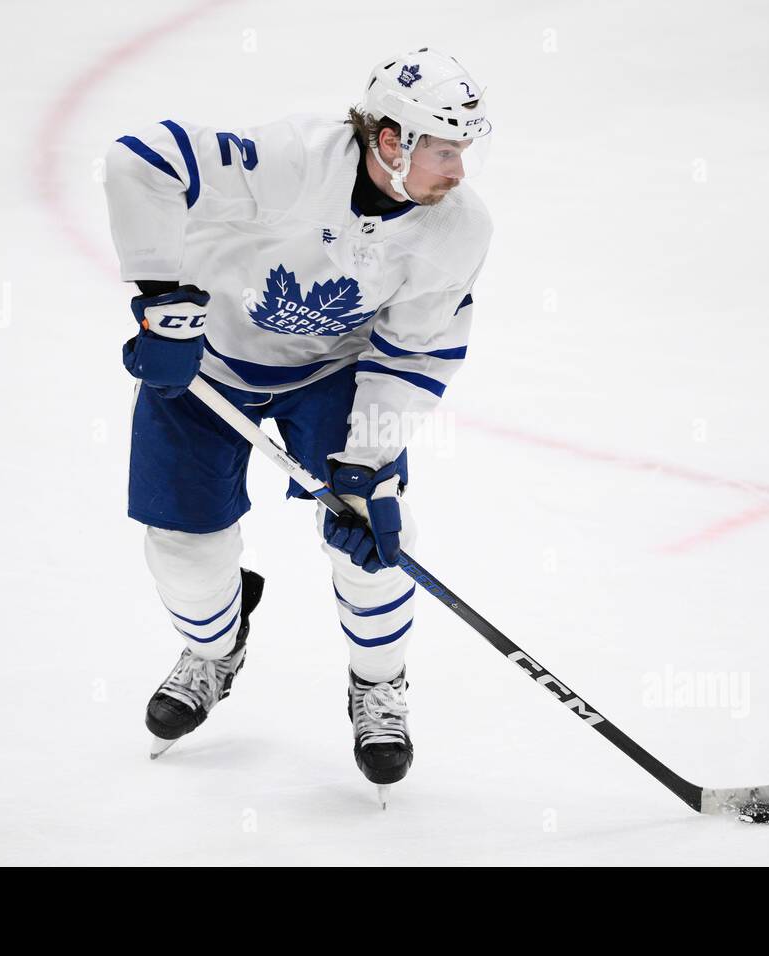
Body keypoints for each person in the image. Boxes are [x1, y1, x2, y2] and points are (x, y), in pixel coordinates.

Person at [102, 48, 492, 797]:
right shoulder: (289, 161)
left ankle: (378, 684)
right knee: (182, 552)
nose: (459, 171)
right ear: (391, 140)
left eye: (464, 151)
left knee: (379, 531)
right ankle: (215, 651)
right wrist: (162, 303)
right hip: (205, 364)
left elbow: (416, 350)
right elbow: (141, 160)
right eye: (445, 151)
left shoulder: (458, 228)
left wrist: (367, 461)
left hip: (331, 375)